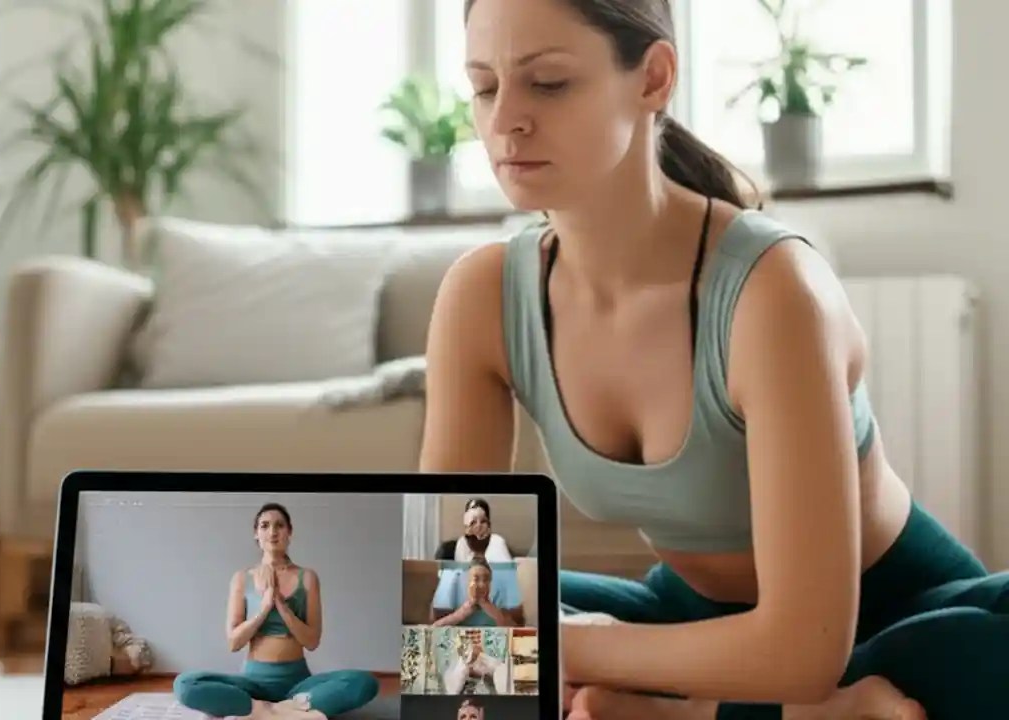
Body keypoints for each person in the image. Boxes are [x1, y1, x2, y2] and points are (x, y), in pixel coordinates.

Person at [420, 0, 1009, 718]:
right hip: (695, 623)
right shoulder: (481, 296)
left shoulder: (771, 291)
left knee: (983, 652)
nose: (505, 118)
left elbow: (803, 648)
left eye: (548, 83)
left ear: (654, 78)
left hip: (889, 615)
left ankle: (681, 711)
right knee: (439, 611)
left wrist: (548, 650)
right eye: (484, 87)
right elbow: (452, 596)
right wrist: (518, 637)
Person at [173, 503, 379, 719]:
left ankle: (265, 712)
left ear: (289, 533)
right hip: (252, 685)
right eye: (264, 526)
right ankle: (281, 712)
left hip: (298, 684)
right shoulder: (242, 578)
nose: (272, 532)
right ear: (256, 534)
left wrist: (280, 603)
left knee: (364, 682)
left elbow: (311, 641)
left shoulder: (307, 577)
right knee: (185, 685)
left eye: (279, 525)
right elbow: (234, 642)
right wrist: (264, 608)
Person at [432, 556, 524, 628]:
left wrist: (491, 610)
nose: (482, 584)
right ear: (467, 582)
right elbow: (434, 628)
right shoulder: (457, 604)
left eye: (486, 580)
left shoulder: (498, 606)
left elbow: (516, 630)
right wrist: (460, 614)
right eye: (476, 579)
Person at [436, 498, 515, 562]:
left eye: (483, 521)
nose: (478, 526)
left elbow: (506, 572)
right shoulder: (462, 543)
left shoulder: (497, 541)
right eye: (473, 522)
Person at [442, 629, 510, 695]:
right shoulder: (451, 671)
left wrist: (483, 659)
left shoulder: (495, 665)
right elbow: (452, 690)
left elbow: (504, 687)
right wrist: (465, 663)